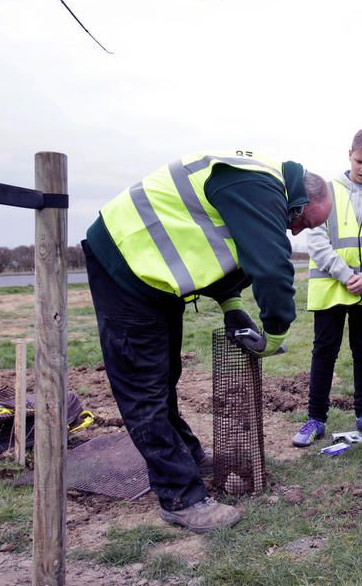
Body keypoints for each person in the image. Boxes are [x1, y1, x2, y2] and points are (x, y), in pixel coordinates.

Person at [83, 151, 332, 533]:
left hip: (154, 279)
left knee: (165, 375)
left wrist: (231, 305)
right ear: (299, 201)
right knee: (144, 385)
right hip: (125, 264)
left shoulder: (258, 186)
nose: (298, 232)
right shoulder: (260, 187)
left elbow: (220, 246)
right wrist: (276, 333)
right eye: (304, 222)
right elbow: (270, 264)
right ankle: (180, 497)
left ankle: (189, 457)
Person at [293, 129, 362, 447]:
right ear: (349, 154)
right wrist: (345, 275)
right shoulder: (326, 191)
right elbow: (315, 239)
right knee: (324, 352)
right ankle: (315, 419)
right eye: (359, 161)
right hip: (330, 289)